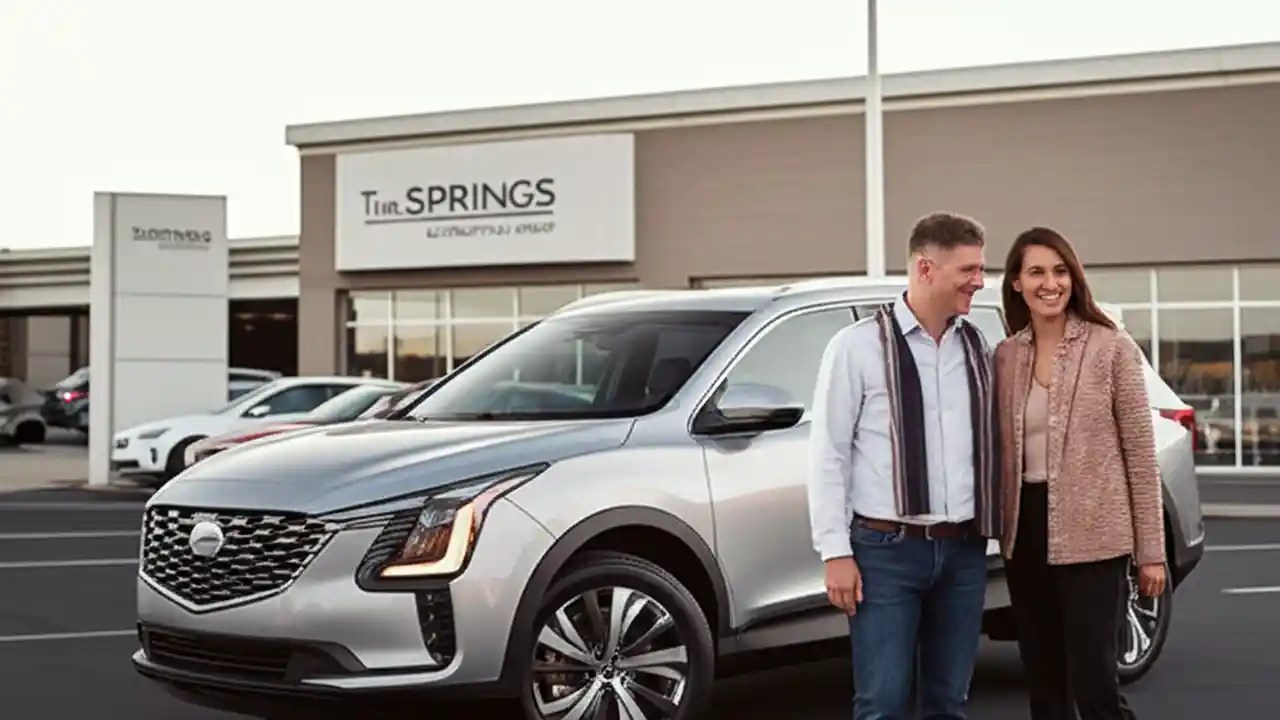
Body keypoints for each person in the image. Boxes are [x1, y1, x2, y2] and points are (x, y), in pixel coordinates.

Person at [808, 211, 1002, 720]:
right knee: (883, 703)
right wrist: (835, 552)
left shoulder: (978, 347)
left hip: (963, 551)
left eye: (981, 269)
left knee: (949, 703)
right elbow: (828, 453)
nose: (979, 281)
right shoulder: (856, 347)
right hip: (885, 553)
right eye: (968, 270)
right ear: (925, 268)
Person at [994, 226, 1166, 720]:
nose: (1050, 283)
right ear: (1017, 283)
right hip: (1024, 535)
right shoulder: (1005, 356)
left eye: (1060, 271)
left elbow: (1140, 456)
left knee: (1095, 689)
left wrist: (1151, 553)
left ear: (1074, 278)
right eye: (1036, 272)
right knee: (1044, 687)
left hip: (1095, 537)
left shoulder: (1112, 348)